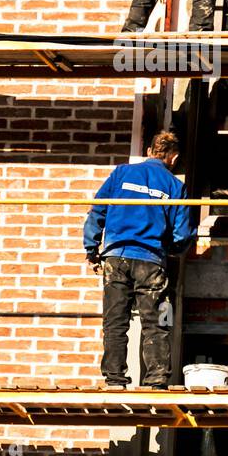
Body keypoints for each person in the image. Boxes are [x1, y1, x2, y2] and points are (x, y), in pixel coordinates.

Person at [82, 130, 197, 388]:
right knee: (157, 322)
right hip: (151, 260)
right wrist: (168, 248)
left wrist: (91, 249)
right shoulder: (175, 186)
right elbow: (182, 234)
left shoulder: (121, 173)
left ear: (148, 152)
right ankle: (156, 379)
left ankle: (114, 379)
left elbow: (96, 211)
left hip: (116, 257)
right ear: (174, 158)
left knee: (115, 322)